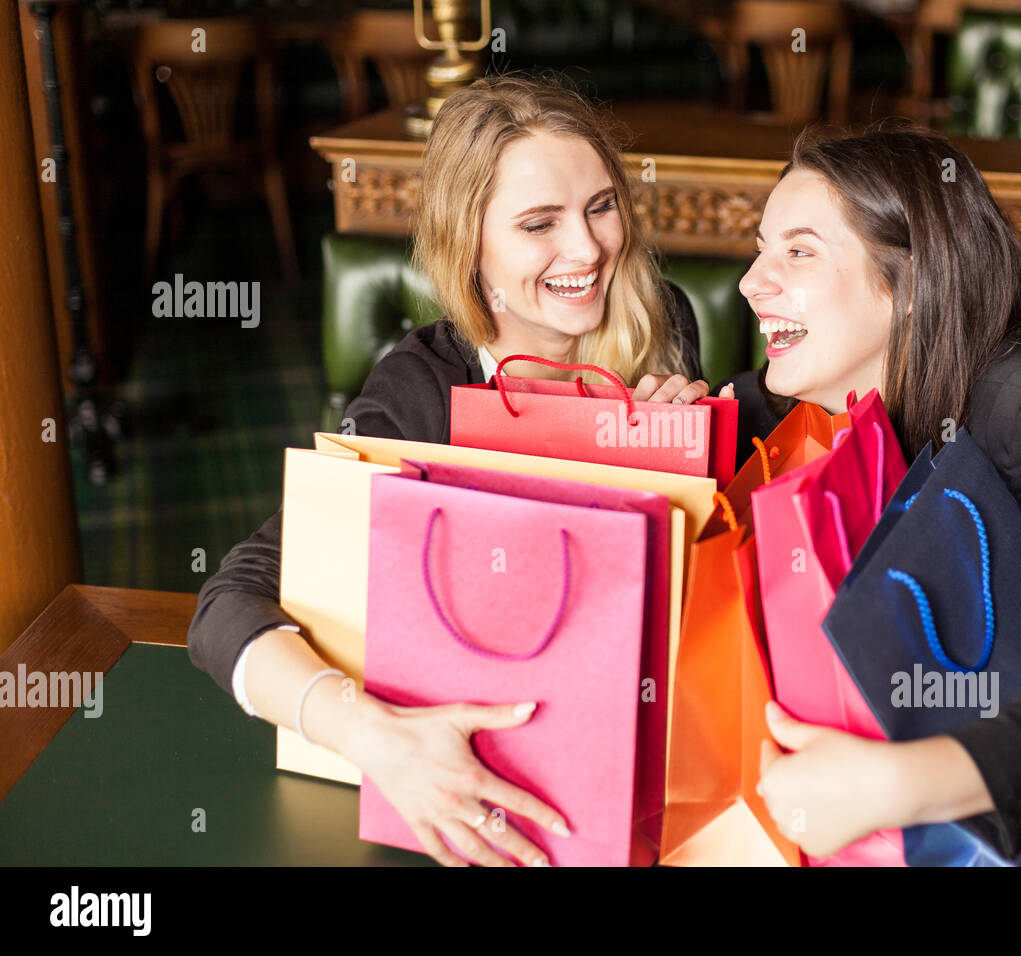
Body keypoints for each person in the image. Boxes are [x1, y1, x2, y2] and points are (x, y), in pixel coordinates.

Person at [187, 76, 709, 868]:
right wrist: (377, 740)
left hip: (633, 763)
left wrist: (689, 455)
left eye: (601, 206)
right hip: (475, 777)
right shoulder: (422, 389)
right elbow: (227, 603)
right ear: (470, 247)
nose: (589, 249)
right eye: (539, 224)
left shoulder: (661, 318)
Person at [721, 126, 1021, 861]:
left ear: (907, 284)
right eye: (760, 247)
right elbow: (720, 414)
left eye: (798, 252)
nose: (751, 282)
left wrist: (894, 786)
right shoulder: (813, 386)